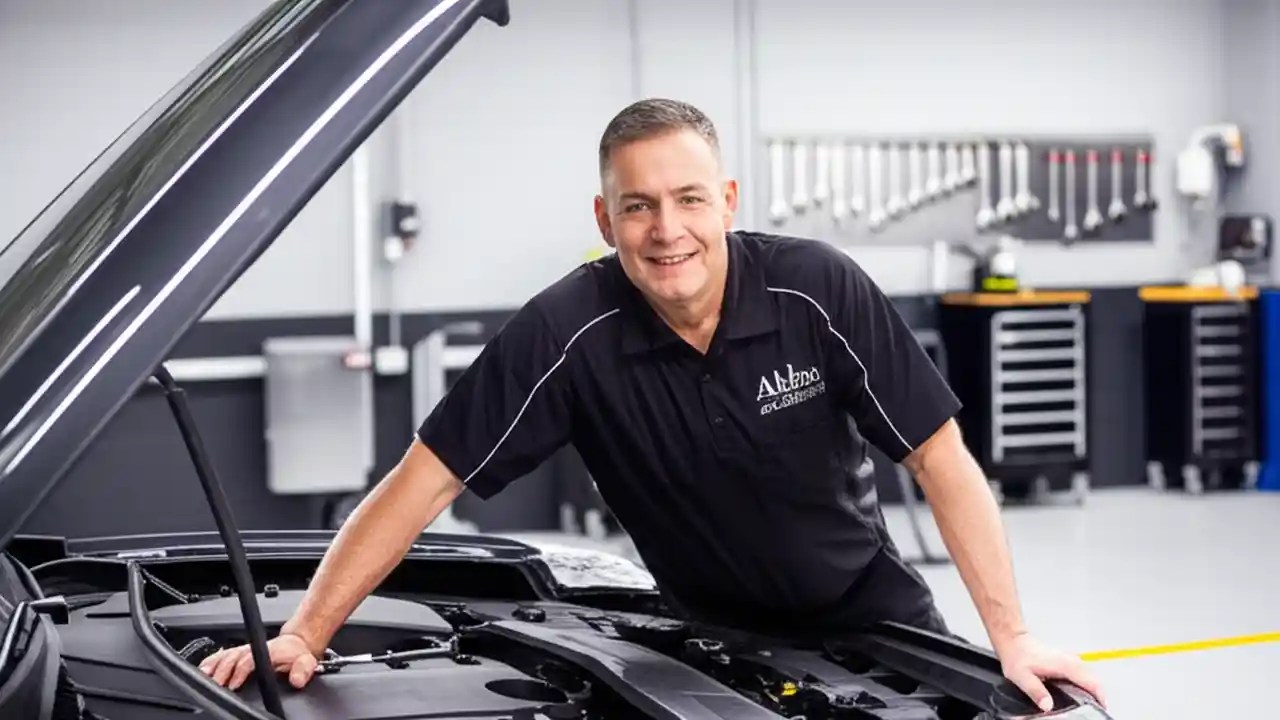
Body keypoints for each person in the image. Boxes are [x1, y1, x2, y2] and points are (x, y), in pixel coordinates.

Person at [200, 98, 1105, 712]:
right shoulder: (567, 331)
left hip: (873, 617)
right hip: (711, 639)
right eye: (638, 207)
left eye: (688, 200)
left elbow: (939, 459)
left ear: (729, 202)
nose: (667, 230)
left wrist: (1012, 640)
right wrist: (305, 634)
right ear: (604, 219)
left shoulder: (816, 291)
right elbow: (422, 483)